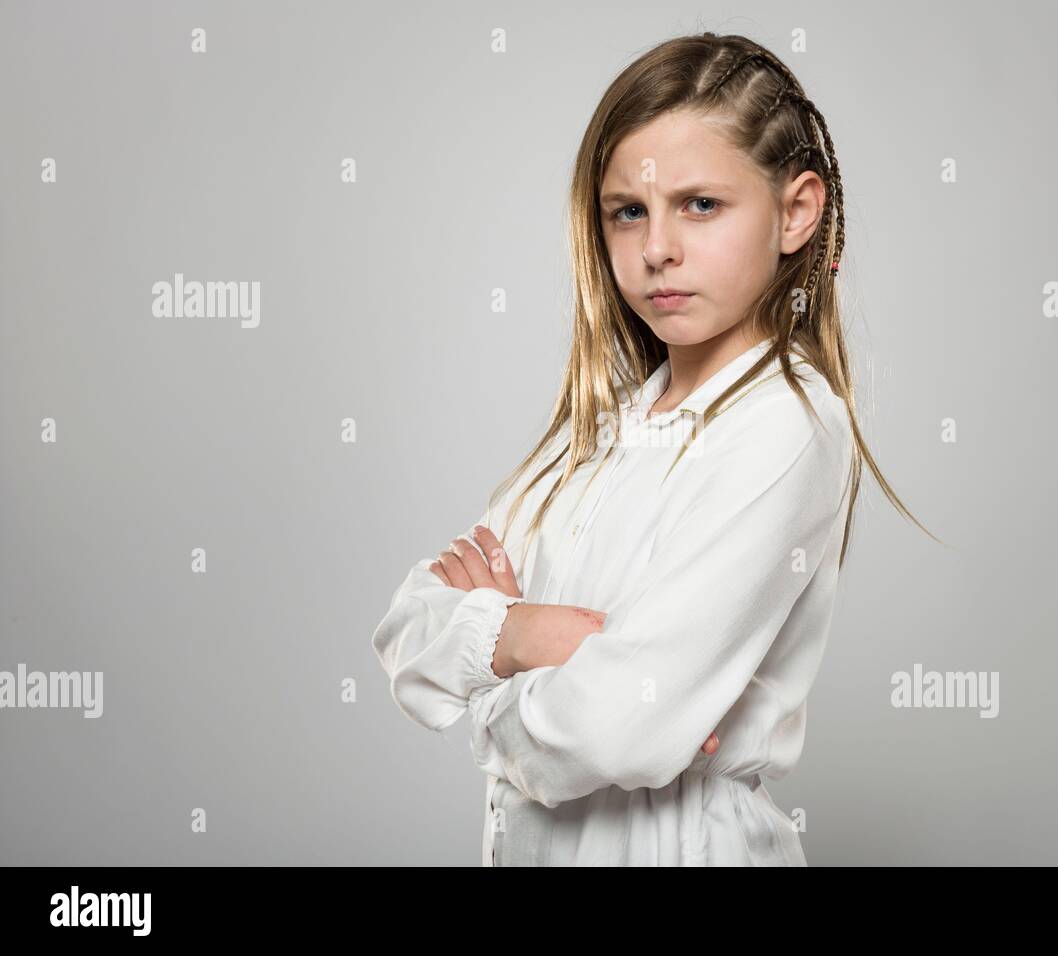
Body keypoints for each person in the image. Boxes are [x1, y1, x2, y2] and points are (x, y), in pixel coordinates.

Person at [370, 31, 937, 866]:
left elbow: (614, 731)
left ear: (795, 210)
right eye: (628, 211)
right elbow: (407, 628)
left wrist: (489, 666)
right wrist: (532, 636)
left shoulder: (788, 419)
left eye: (700, 205)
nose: (657, 248)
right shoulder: (597, 431)